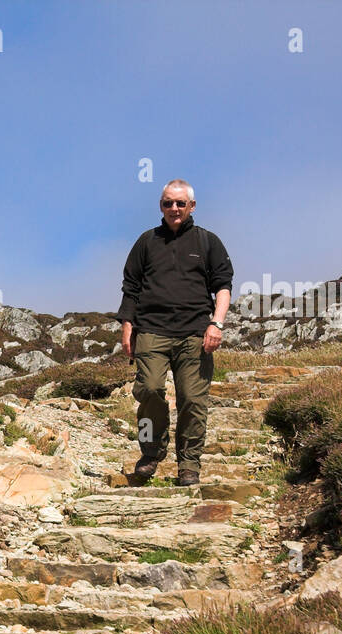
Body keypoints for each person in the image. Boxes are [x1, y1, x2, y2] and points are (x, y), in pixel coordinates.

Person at [117, 179, 233, 486]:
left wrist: (216, 324)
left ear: (192, 206)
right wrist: (127, 327)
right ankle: (151, 452)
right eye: (168, 203)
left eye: (181, 203)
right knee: (149, 391)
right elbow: (131, 287)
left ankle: (189, 464)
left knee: (192, 400)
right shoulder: (146, 242)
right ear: (161, 206)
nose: (174, 208)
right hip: (151, 331)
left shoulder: (208, 242)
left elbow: (223, 286)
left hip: (195, 333)